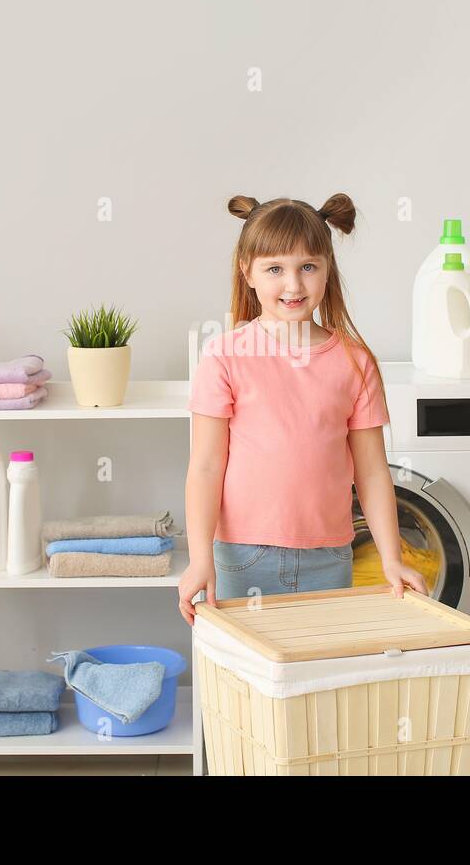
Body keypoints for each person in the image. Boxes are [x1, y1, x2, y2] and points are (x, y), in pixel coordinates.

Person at [177, 192, 427, 624]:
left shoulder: (354, 361)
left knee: (318, 685)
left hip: (328, 558)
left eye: (308, 267)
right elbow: (205, 466)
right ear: (247, 271)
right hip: (240, 557)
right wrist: (200, 559)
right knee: (246, 684)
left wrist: (392, 559)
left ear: (328, 270)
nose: (293, 285)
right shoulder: (223, 356)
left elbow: (371, 470)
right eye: (275, 269)